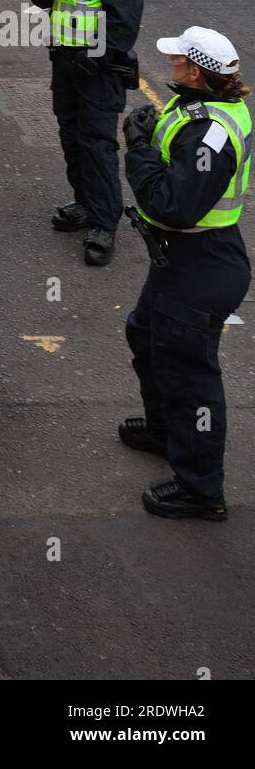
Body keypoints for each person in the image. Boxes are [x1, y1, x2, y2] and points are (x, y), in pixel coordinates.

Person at [121, 28, 250, 522]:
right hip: (184, 258)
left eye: (177, 58)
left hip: (201, 260)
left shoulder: (208, 134)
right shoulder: (199, 109)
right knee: (146, 333)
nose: (170, 62)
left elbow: (172, 205)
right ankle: (165, 430)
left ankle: (201, 488)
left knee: (190, 376)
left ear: (196, 71)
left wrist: (138, 148)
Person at [28, 0, 142, 266]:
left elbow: (125, 23)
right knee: (71, 138)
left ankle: (104, 224)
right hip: (66, 65)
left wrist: (95, 59)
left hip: (99, 72)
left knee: (97, 144)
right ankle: (85, 202)